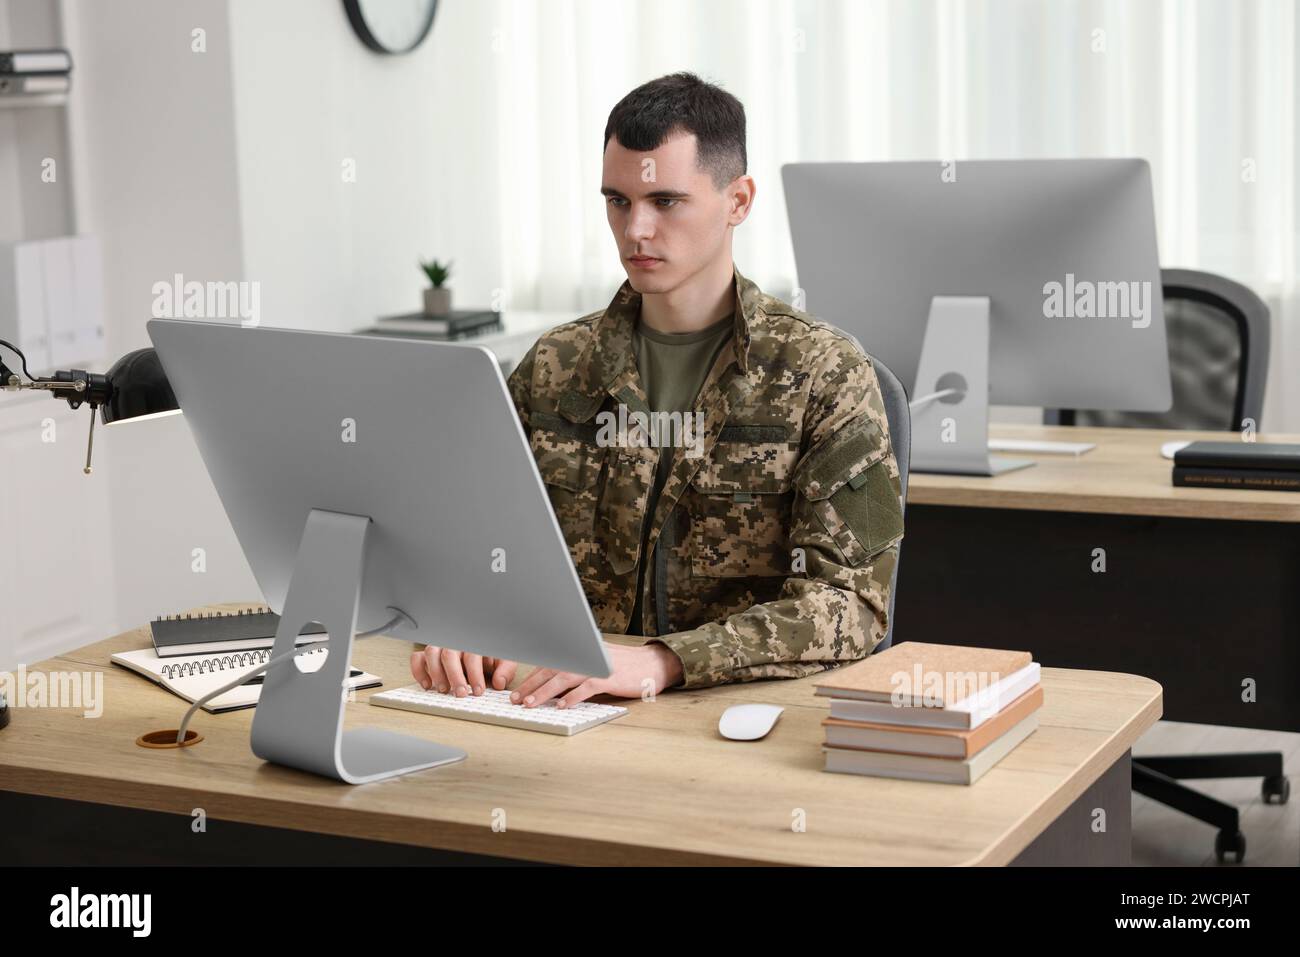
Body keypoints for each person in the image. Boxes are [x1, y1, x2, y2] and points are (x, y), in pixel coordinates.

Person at [411, 72, 903, 709]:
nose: (635, 230)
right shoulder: (553, 367)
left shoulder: (828, 373)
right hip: (545, 709)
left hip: (727, 717)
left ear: (738, 201)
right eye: (617, 200)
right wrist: (458, 624)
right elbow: (468, 545)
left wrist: (666, 661)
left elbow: (854, 604)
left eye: (665, 202)